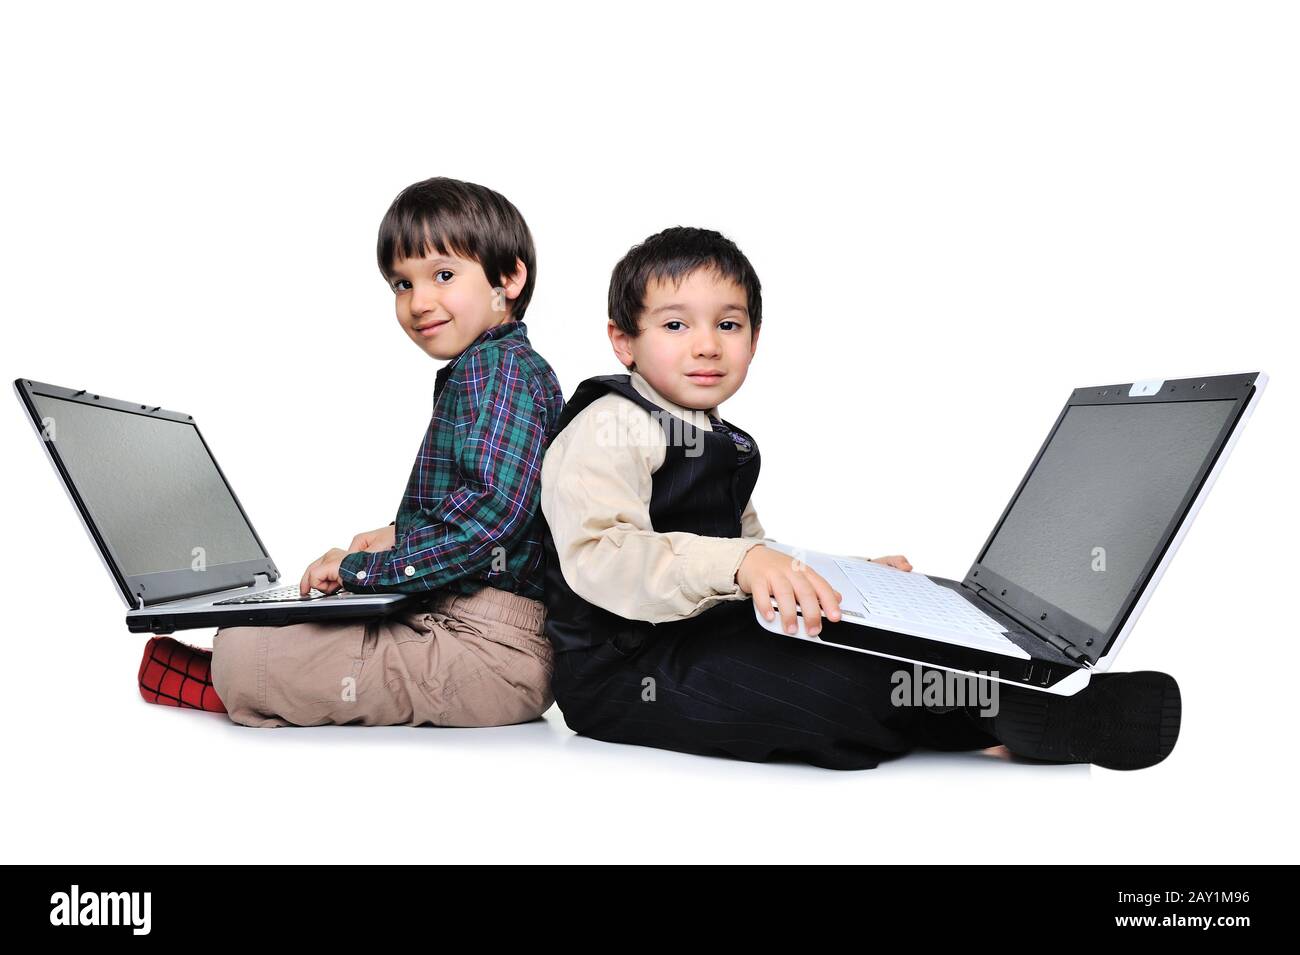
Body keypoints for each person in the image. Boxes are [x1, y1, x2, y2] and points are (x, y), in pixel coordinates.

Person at [539, 226, 1181, 770]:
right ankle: (1004, 718)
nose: (706, 344)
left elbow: (750, 550)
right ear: (623, 341)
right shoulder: (609, 426)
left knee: (858, 637)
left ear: (754, 340)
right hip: (621, 671)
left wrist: (833, 576)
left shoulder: (717, 435)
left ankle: (1028, 697)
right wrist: (743, 563)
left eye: (728, 325)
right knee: (825, 699)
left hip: (697, 633)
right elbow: (601, 554)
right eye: (676, 324)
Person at [138, 177, 565, 728]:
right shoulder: (495, 366)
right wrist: (400, 533)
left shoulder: (498, 368)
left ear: (508, 279)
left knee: (244, 651)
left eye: (443, 275)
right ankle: (257, 669)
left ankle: (232, 680)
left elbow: (487, 520)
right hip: (468, 625)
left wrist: (363, 570)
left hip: (494, 650)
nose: (419, 303)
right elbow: (495, 500)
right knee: (276, 628)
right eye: (401, 284)